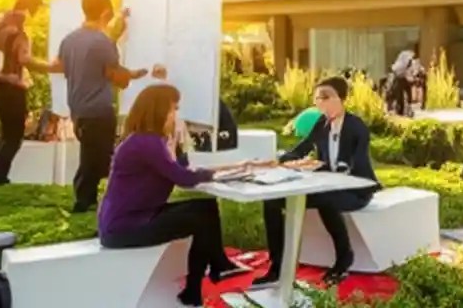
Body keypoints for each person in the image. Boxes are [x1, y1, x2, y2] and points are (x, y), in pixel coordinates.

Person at [98, 84, 247, 307]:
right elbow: (184, 178)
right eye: (173, 110)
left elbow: (180, 168)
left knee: (205, 206)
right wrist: (214, 173)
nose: (176, 116)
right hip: (125, 227)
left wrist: (179, 146)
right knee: (200, 220)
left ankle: (214, 267)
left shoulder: (148, 140)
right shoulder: (146, 143)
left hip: (139, 215)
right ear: (159, 111)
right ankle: (199, 282)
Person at [255, 76, 381, 288]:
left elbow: (356, 164)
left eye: (326, 97)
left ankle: (344, 257)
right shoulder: (321, 124)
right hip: (325, 184)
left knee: (326, 200)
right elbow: (301, 149)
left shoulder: (356, 127)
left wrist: (334, 172)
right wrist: (276, 161)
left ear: (342, 98)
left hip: (356, 189)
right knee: (272, 201)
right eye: (317, 98)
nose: (321, 102)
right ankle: (278, 265)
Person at [59, 0, 152, 213]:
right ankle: (85, 203)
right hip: (98, 109)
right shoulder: (102, 42)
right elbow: (115, 76)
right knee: (97, 160)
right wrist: (134, 75)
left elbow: (73, 69)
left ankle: (90, 200)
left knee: (93, 156)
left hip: (78, 108)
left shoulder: (69, 40)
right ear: (105, 13)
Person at [0, 0, 61, 187]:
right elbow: (25, 60)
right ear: (31, 8)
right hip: (10, 84)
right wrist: (52, 67)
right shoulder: (18, 31)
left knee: (7, 132)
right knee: (14, 133)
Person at [387, 43, 416, 116]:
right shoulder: (400, 63)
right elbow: (395, 70)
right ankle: (399, 110)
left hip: (404, 80)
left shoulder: (411, 63)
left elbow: (412, 72)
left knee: (408, 95)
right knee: (399, 96)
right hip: (399, 80)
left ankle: (407, 108)